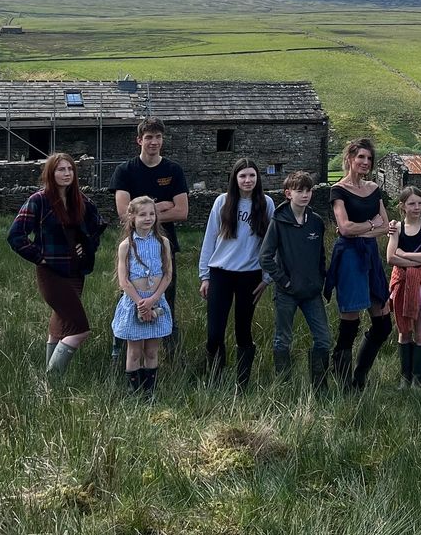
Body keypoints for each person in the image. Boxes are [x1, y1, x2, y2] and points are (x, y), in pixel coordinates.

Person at [7, 153, 106, 375]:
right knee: (79, 330)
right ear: (51, 173)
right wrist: (40, 257)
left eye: (70, 169)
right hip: (51, 273)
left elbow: (96, 229)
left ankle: (49, 382)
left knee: (59, 327)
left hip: (76, 273)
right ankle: (51, 379)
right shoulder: (39, 200)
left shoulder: (82, 201)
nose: (66, 173)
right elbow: (15, 236)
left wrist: (86, 247)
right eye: (61, 169)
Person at [108, 117, 188, 358]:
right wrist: (162, 207)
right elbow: (124, 214)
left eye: (158, 137)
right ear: (139, 140)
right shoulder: (125, 171)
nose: (154, 142)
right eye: (149, 137)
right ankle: (121, 348)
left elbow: (182, 211)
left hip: (164, 246)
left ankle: (167, 353)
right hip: (133, 247)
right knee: (128, 298)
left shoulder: (173, 170)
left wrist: (145, 214)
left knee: (166, 299)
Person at [324, 138, 395, 390]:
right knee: (350, 322)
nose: (365, 162)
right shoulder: (338, 191)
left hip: (370, 256)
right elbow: (344, 228)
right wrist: (371, 225)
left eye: (369, 159)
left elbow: (386, 226)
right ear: (349, 159)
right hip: (349, 257)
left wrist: (364, 229)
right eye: (360, 157)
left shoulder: (374, 189)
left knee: (383, 323)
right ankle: (343, 382)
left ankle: (359, 377)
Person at [199, 157, 274, 389]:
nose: (248, 180)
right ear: (235, 178)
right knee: (214, 333)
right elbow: (209, 238)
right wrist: (205, 275)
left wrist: (267, 277)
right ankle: (215, 380)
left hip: (250, 275)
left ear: (257, 178)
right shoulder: (222, 202)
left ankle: (242, 384)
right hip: (221, 273)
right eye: (243, 176)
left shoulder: (267, 203)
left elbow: (272, 243)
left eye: (252, 175)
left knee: (243, 331)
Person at [259, 170, 331, 391]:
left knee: (323, 339)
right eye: (300, 191)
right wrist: (285, 282)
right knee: (283, 340)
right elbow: (265, 257)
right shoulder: (279, 222)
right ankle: (284, 385)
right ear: (288, 193)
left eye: (308, 190)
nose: (305, 195)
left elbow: (321, 256)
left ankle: (320, 387)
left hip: (312, 293)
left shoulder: (316, 222)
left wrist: (320, 281)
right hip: (286, 293)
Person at [111, 196, 173, 399]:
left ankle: (149, 393)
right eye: (143, 214)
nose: (148, 218)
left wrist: (154, 299)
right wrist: (141, 304)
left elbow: (167, 274)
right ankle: (133, 393)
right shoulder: (126, 246)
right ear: (132, 217)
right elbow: (124, 281)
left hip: (156, 301)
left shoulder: (163, 243)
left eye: (152, 214)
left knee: (152, 351)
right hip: (134, 303)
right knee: (135, 352)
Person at [387, 186, 421, 387]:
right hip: (401, 286)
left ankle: (419, 378)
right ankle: (405, 378)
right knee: (404, 331)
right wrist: (417, 262)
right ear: (402, 206)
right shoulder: (396, 228)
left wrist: (405, 255)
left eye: (419, 203)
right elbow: (391, 257)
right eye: (411, 204)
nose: (417, 207)